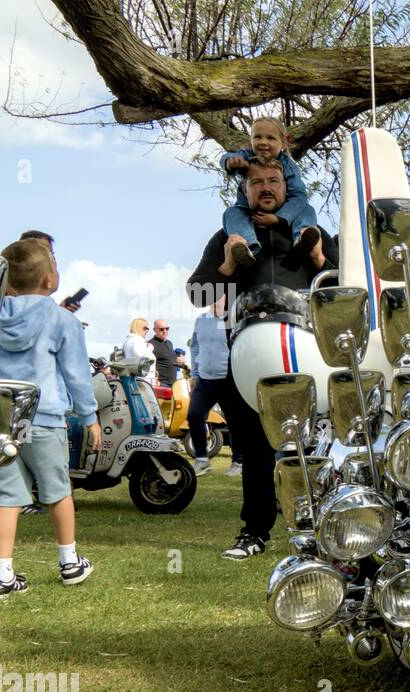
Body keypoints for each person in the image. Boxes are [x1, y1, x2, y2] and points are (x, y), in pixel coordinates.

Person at [186, 155, 338, 560]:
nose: (266, 188)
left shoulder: (311, 230)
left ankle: (324, 531)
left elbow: (348, 286)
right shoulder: (227, 236)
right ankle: (254, 530)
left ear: (288, 186)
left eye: (273, 180)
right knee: (253, 448)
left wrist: (320, 260)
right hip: (248, 354)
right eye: (256, 183)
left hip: (309, 353)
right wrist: (227, 265)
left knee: (317, 445)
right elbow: (197, 293)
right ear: (245, 189)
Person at [0, 239, 99, 596]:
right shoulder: (62, 320)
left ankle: (2, 573)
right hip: (43, 418)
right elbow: (76, 373)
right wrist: (89, 416)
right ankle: (69, 561)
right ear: (49, 281)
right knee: (58, 490)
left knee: (5, 496)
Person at [219, 117, 321, 269]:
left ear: (284, 143)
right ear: (251, 140)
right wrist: (230, 162)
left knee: (307, 209)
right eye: (257, 137)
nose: (263, 142)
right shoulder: (246, 156)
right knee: (232, 213)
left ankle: (301, 239)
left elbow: (298, 196)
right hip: (249, 211)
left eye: (271, 138)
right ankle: (246, 246)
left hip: (285, 213)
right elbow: (226, 157)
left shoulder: (289, 166)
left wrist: (279, 218)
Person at [186, 307, 232, 477]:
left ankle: (238, 461)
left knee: (234, 421)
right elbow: (195, 347)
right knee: (194, 415)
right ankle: (202, 460)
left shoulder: (231, 318)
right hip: (205, 379)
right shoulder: (201, 319)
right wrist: (194, 374)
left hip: (228, 378)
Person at [121, 318, 157, 385]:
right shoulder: (137, 340)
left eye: (147, 329)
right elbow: (140, 355)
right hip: (143, 381)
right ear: (138, 328)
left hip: (134, 379)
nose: (147, 331)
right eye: (145, 328)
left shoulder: (128, 340)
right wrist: (151, 347)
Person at [149, 319, 179, 388]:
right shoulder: (151, 345)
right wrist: (155, 381)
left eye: (167, 328)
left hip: (173, 384)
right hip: (161, 384)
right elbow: (147, 365)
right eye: (161, 329)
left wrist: (179, 360)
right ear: (154, 330)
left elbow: (168, 359)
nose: (165, 331)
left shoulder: (169, 343)